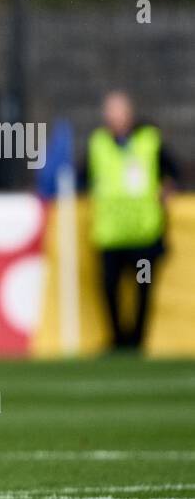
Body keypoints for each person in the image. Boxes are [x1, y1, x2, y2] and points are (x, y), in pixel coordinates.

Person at [82, 90, 181, 350]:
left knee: (143, 287)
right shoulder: (98, 144)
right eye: (110, 111)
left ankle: (137, 340)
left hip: (143, 234)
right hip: (111, 234)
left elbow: (173, 172)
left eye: (118, 111)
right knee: (109, 288)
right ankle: (118, 339)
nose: (114, 117)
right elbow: (82, 177)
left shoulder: (149, 141)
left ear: (129, 113)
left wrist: (168, 187)